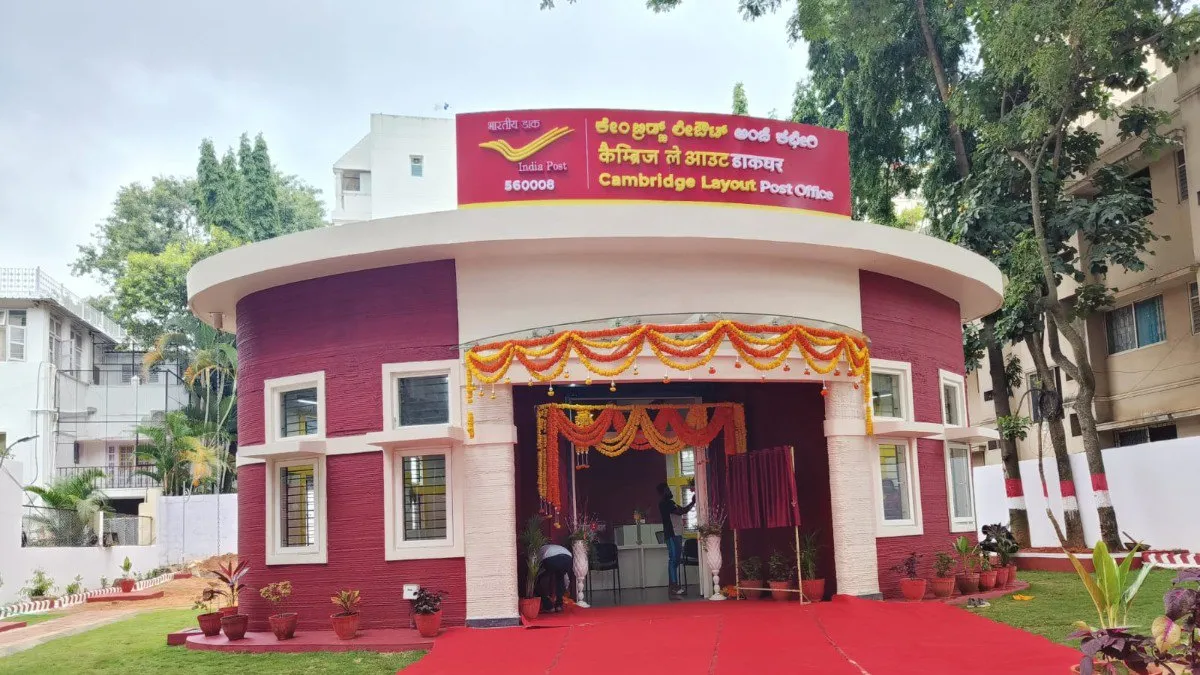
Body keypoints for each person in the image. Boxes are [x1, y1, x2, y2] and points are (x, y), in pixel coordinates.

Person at [657, 482, 695, 596]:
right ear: (663, 492)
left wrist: (692, 503)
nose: (670, 491)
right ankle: (673, 586)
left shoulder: (671, 503)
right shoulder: (665, 504)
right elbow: (681, 511)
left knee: (675, 560)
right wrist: (693, 502)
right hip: (672, 534)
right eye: (668, 489)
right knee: (674, 559)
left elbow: (683, 510)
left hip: (676, 534)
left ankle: (673, 586)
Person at [537, 541, 575, 612]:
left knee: (537, 581)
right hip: (568, 558)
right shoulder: (556, 547)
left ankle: (548, 606)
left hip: (551, 558)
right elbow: (565, 576)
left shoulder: (540, 549)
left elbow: (536, 567)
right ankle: (559, 605)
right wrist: (566, 586)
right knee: (560, 577)